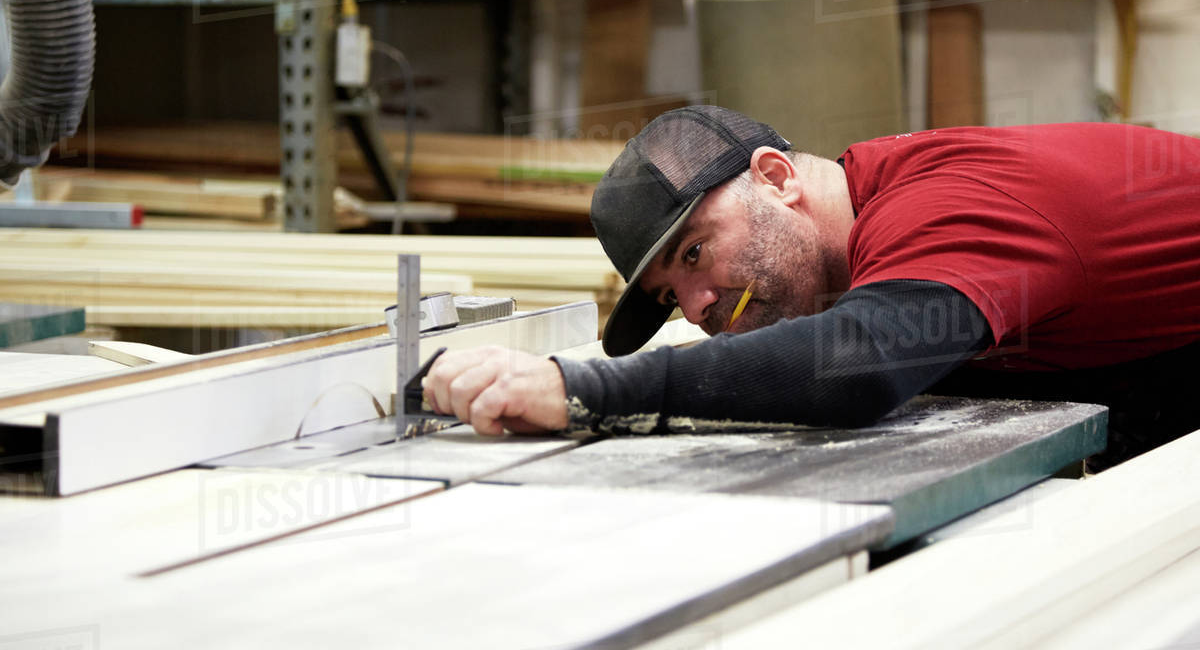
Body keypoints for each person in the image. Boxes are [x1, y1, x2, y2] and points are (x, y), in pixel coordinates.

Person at [424, 106, 1200, 464]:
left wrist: (581, 390)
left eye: (694, 255)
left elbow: (859, 361)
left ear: (776, 177)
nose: (697, 309)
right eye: (670, 298)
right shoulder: (872, 213)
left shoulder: (947, 206)